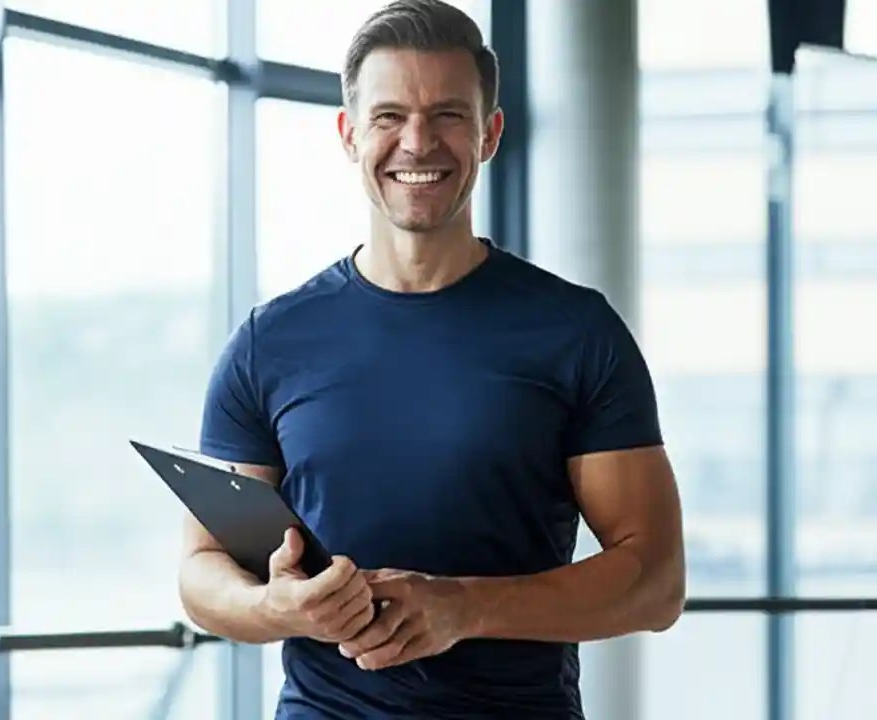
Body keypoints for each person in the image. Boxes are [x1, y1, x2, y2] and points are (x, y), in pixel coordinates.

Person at [177, 1, 686, 717]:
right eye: (389, 117)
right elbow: (203, 569)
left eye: (448, 115)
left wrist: (464, 607)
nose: (417, 143)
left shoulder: (576, 332)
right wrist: (279, 608)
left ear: (489, 134)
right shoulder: (270, 342)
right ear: (350, 134)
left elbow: (656, 581)